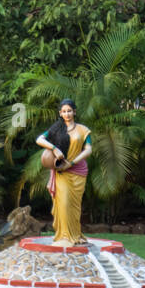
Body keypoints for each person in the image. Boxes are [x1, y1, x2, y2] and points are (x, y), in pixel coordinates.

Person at [35, 99, 92, 246]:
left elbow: (88, 149)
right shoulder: (56, 129)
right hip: (61, 172)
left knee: (75, 206)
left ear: (74, 112)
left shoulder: (82, 130)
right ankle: (64, 236)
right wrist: (54, 148)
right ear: (60, 113)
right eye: (64, 111)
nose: (67, 114)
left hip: (78, 171)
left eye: (69, 111)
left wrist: (72, 163)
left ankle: (75, 235)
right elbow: (39, 139)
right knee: (64, 202)